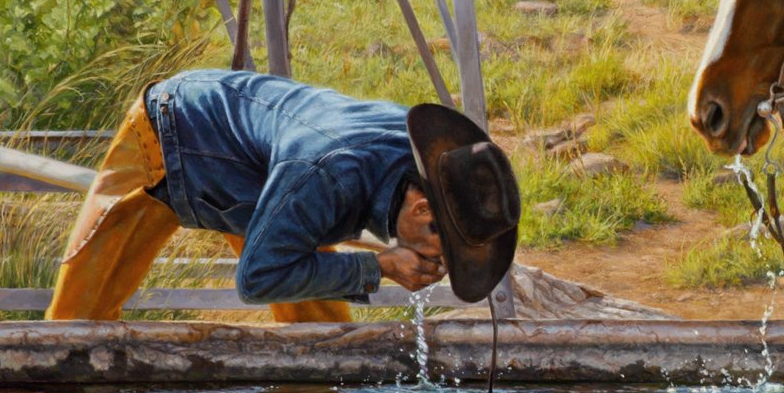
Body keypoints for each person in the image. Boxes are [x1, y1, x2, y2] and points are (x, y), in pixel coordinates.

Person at [46, 69, 519, 321]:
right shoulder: (326, 173)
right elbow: (257, 280)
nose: (440, 264)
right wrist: (380, 266)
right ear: (422, 208)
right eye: (445, 249)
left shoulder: (417, 158)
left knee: (321, 336)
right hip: (168, 138)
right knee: (76, 323)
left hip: (267, 176)